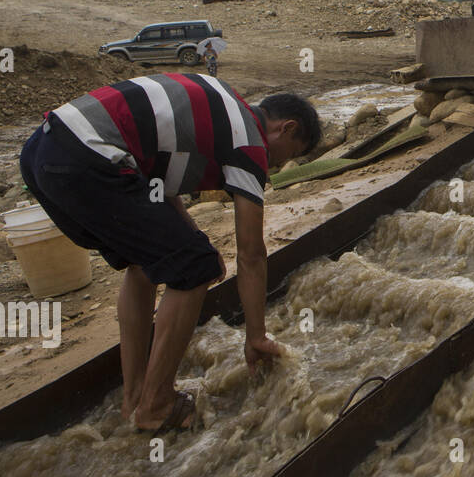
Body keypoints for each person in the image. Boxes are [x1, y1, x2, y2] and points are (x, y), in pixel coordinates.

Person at [18, 74, 321, 432]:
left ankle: (134, 400)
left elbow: (157, 185)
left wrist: (194, 236)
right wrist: (256, 335)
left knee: (148, 263)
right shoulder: (249, 142)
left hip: (43, 152)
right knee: (195, 268)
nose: (283, 163)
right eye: (295, 153)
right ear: (286, 129)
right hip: (88, 157)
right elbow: (251, 253)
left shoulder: (219, 104)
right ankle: (158, 403)